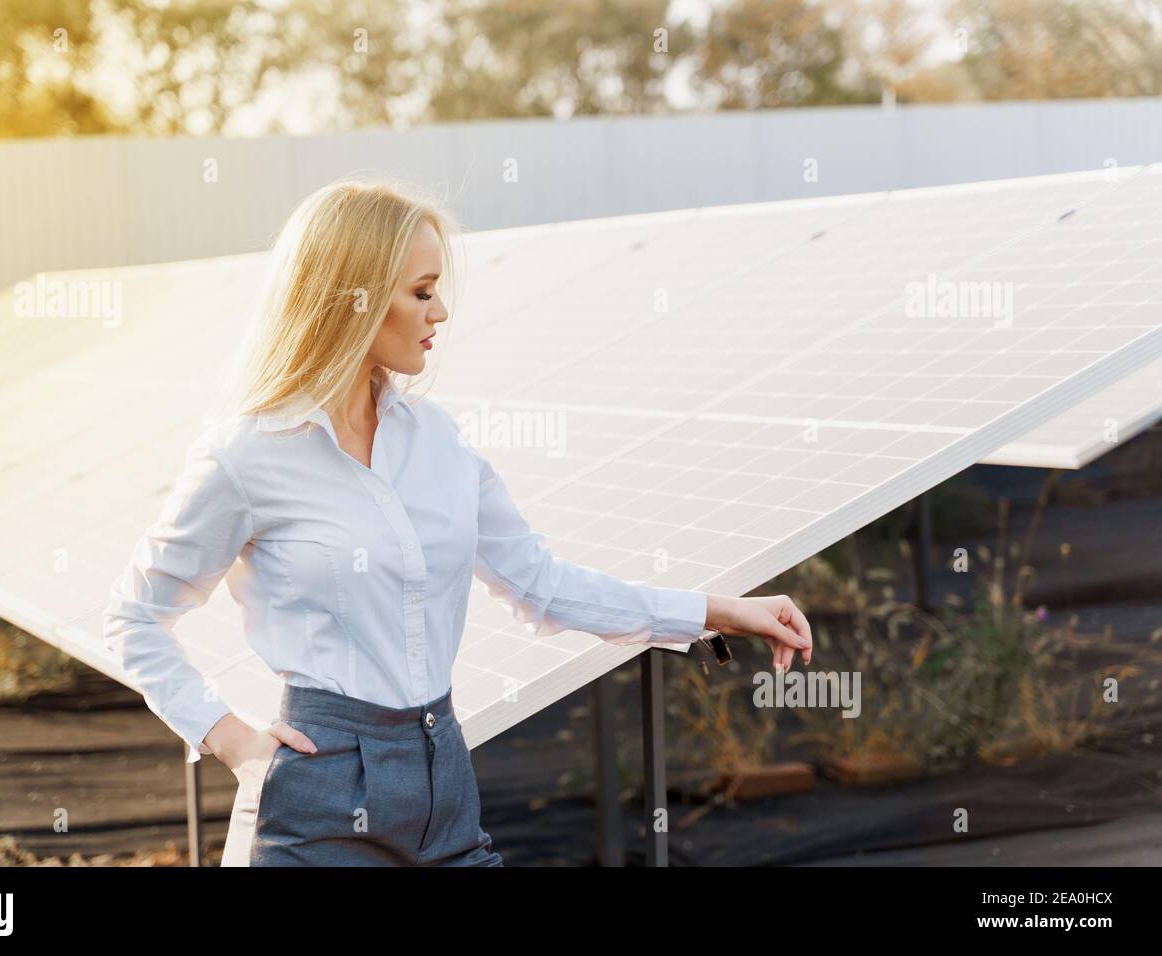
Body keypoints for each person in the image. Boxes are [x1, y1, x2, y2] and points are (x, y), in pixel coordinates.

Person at [102, 174, 813, 867]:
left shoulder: (437, 442)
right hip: (319, 799)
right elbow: (136, 616)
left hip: (444, 780)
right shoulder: (247, 454)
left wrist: (720, 611)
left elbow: (540, 583)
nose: (439, 311)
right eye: (420, 292)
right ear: (353, 298)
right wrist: (229, 739)